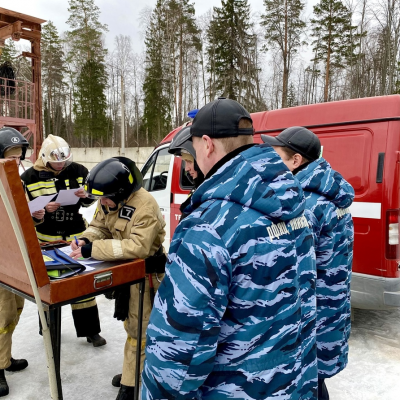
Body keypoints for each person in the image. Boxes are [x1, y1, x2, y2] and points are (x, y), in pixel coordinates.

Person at [142, 98, 318, 399]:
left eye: (194, 147)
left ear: (207, 144)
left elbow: (180, 352)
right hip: (293, 385)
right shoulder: (295, 203)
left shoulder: (208, 225)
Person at [262, 127, 354, 400]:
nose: (270, 159)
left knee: (308, 385)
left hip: (313, 321)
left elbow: (293, 269)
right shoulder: (331, 193)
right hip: (332, 312)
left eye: (276, 154)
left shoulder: (305, 204)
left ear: (295, 161)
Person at [70, 156, 166, 400]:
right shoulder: (108, 199)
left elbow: (138, 247)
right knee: (131, 325)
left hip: (147, 276)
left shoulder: (145, 206)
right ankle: (132, 370)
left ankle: (131, 384)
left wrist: (93, 250)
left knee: (141, 329)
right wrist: (86, 239)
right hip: (125, 274)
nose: (101, 203)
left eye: (105, 198)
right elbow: (99, 226)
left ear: (122, 193)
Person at [20, 135, 106, 347]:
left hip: (75, 235)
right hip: (46, 238)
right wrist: (43, 212)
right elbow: (23, 212)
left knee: (82, 283)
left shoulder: (78, 171)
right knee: (49, 287)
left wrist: (86, 195)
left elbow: (89, 200)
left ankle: (90, 330)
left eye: (64, 160)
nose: (61, 165)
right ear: (44, 157)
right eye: (57, 161)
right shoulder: (28, 178)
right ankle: (49, 330)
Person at [0, 127, 45, 397]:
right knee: (2, 315)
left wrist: (36, 216)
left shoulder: (19, 180)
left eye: (19, 157)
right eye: (10, 157)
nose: (17, 162)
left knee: (14, 310)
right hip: (3, 259)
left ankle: (5, 358)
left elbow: (25, 215)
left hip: (18, 258)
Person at [168, 125, 204, 220]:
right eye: (185, 162)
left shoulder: (207, 196)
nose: (186, 168)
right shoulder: (199, 190)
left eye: (189, 161)